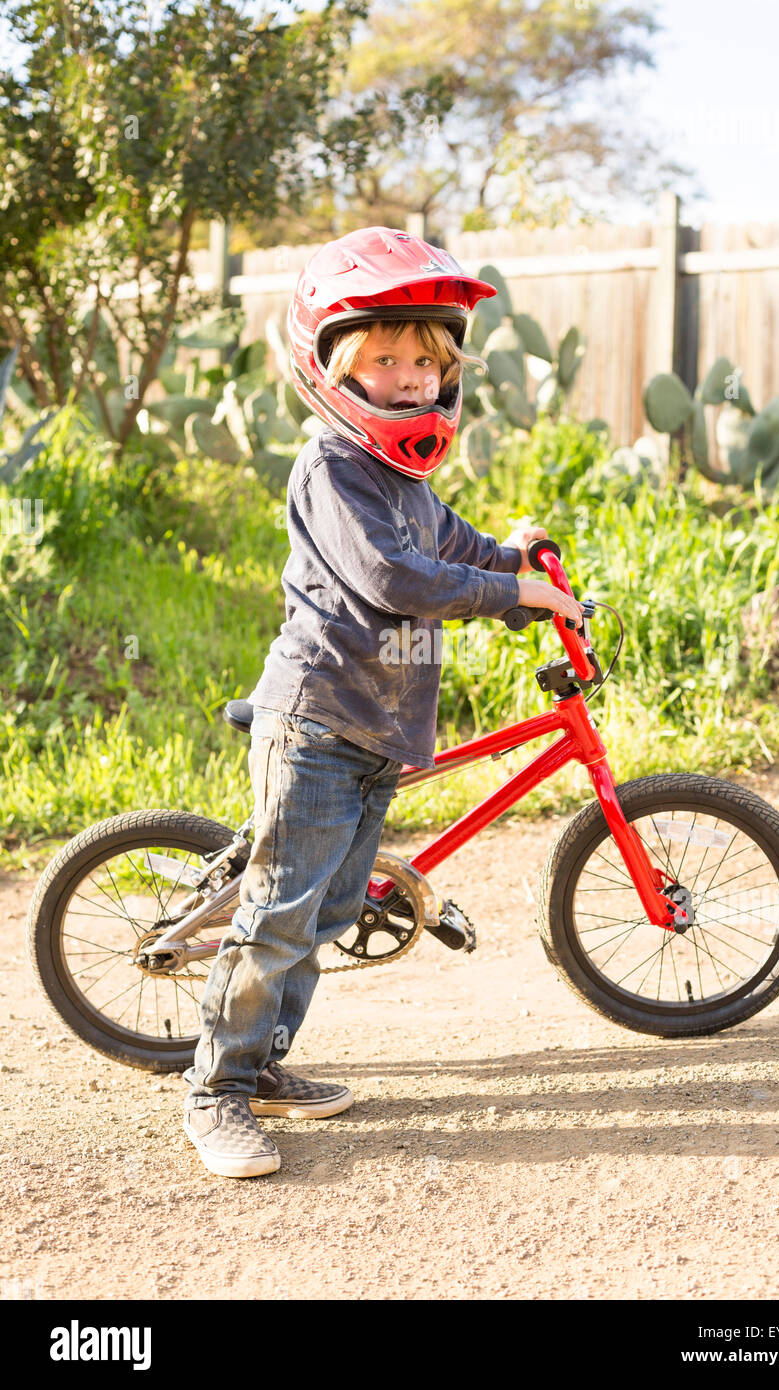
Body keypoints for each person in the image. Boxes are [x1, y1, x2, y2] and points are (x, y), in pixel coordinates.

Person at [182, 226, 584, 1178]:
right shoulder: (332, 469)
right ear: (331, 368)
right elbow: (396, 578)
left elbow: (458, 547)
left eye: (425, 362)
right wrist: (507, 595)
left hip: (377, 734)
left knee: (323, 918)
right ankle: (216, 1094)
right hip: (318, 723)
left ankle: (268, 1066)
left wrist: (515, 560)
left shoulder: (406, 478)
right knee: (279, 919)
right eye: (385, 359)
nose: (408, 379)